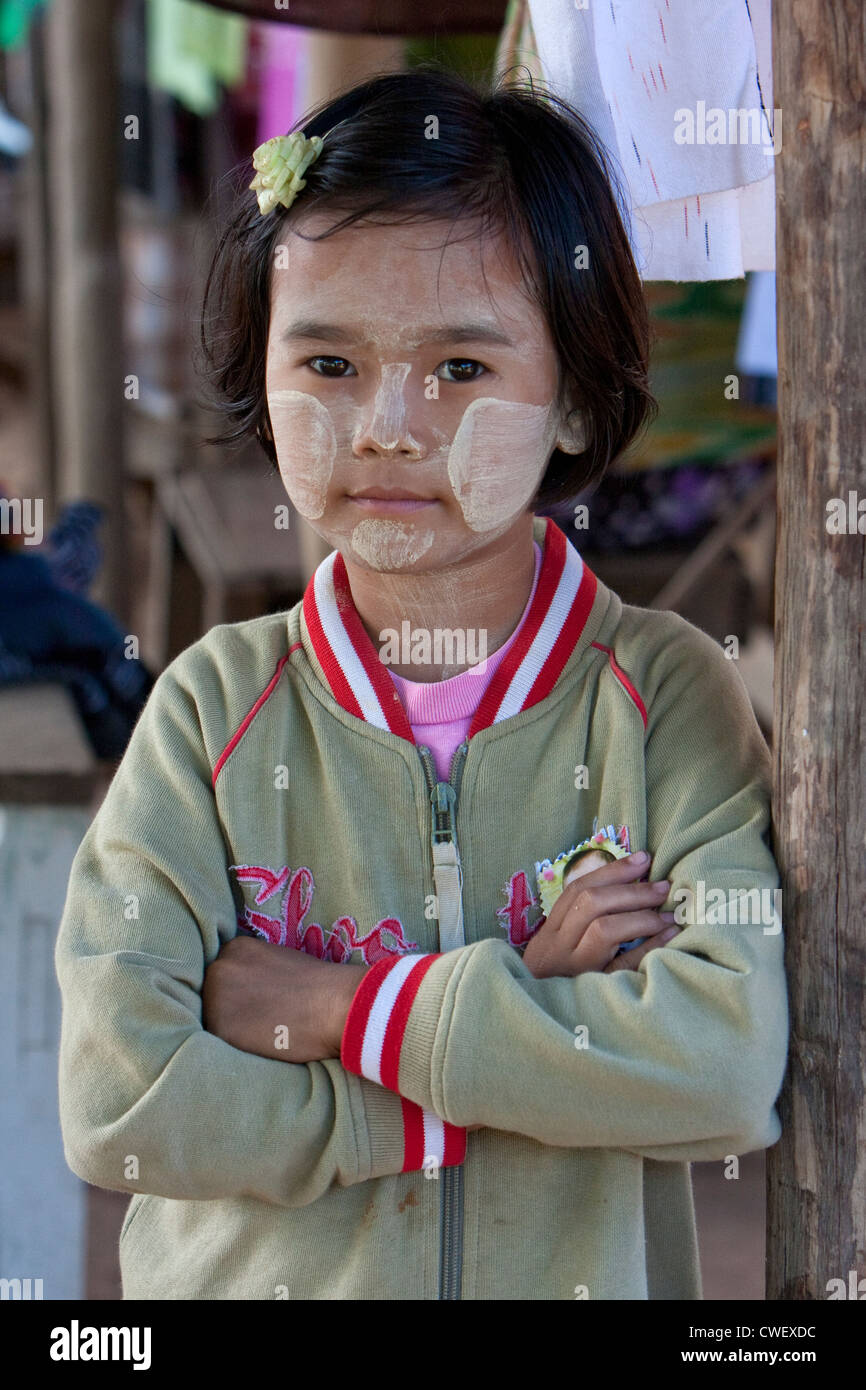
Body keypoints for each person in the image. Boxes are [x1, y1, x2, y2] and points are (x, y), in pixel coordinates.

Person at [55, 67, 788, 1301]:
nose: (389, 426)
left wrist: (344, 1009)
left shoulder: (665, 699)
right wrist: (495, 1055)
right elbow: (124, 1105)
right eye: (329, 363)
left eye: (459, 368)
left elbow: (718, 1069)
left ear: (572, 398)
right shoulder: (207, 713)